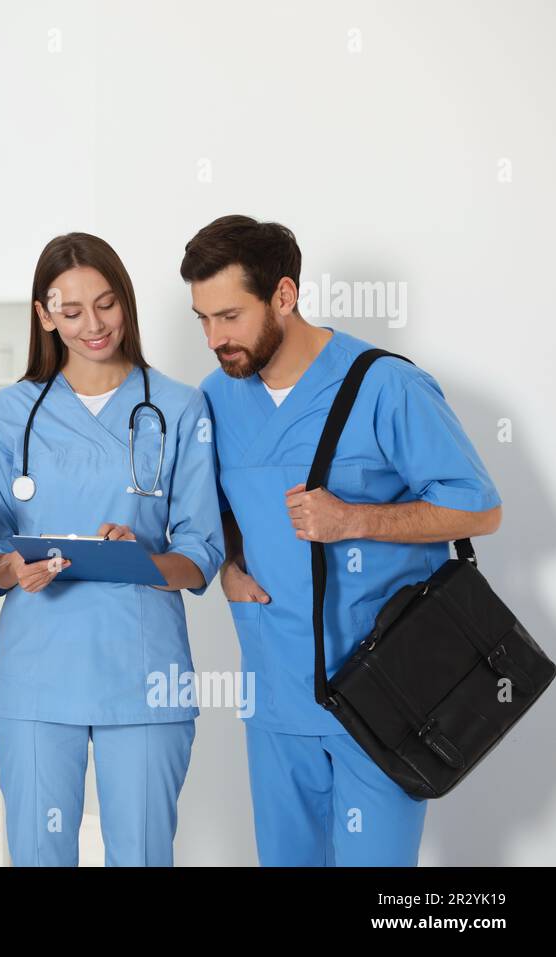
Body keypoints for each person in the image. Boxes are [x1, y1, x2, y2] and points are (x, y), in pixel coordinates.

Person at [183, 214, 502, 866]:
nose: (216, 338)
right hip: (275, 700)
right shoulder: (215, 398)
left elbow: (481, 508)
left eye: (230, 316)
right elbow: (213, 509)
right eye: (203, 319)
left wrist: (356, 519)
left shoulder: (386, 385)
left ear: (283, 295)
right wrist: (227, 567)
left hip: (379, 695)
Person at [0, 233, 224, 866]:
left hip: (140, 671)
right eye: (73, 310)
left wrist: (142, 556)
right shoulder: (9, 413)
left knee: (141, 854)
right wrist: (10, 567)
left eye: (107, 304)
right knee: (37, 853)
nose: (94, 325)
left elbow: (200, 550)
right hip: (36, 674)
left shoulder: (179, 407)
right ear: (44, 314)